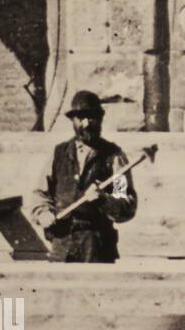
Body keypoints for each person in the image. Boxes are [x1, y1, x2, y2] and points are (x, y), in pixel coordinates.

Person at [28, 90, 137, 263]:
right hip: (62, 247)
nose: (86, 124)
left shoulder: (114, 156)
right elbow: (40, 195)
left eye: (91, 117)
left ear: (100, 119)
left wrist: (104, 200)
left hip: (96, 248)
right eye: (81, 118)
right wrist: (43, 213)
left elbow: (127, 206)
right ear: (73, 120)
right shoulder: (58, 153)